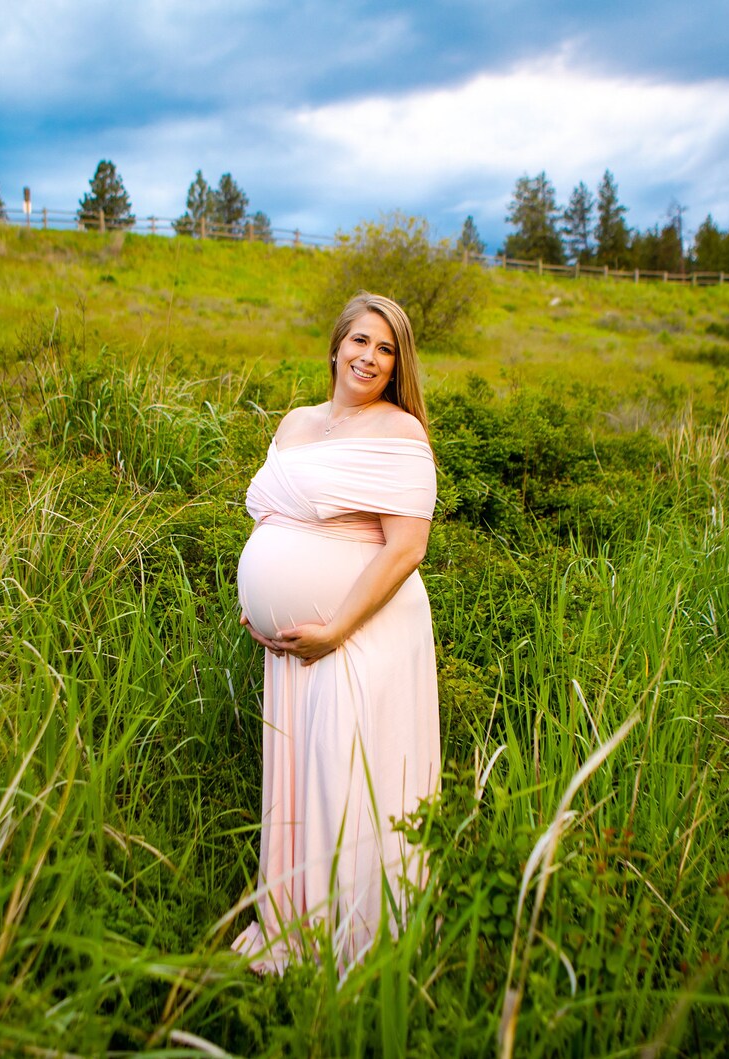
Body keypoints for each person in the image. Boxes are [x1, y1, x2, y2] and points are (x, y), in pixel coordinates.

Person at [230, 291, 441, 973]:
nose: (370, 358)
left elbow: (406, 548)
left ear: (397, 363)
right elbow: (275, 517)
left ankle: (356, 938)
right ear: (336, 344)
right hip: (295, 643)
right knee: (300, 776)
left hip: (360, 631)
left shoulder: (399, 430)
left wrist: (335, 627)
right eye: (361, 341)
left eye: (386, 349)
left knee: (347, 775)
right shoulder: (295, 422)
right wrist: (256, 599)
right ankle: (296, 920)